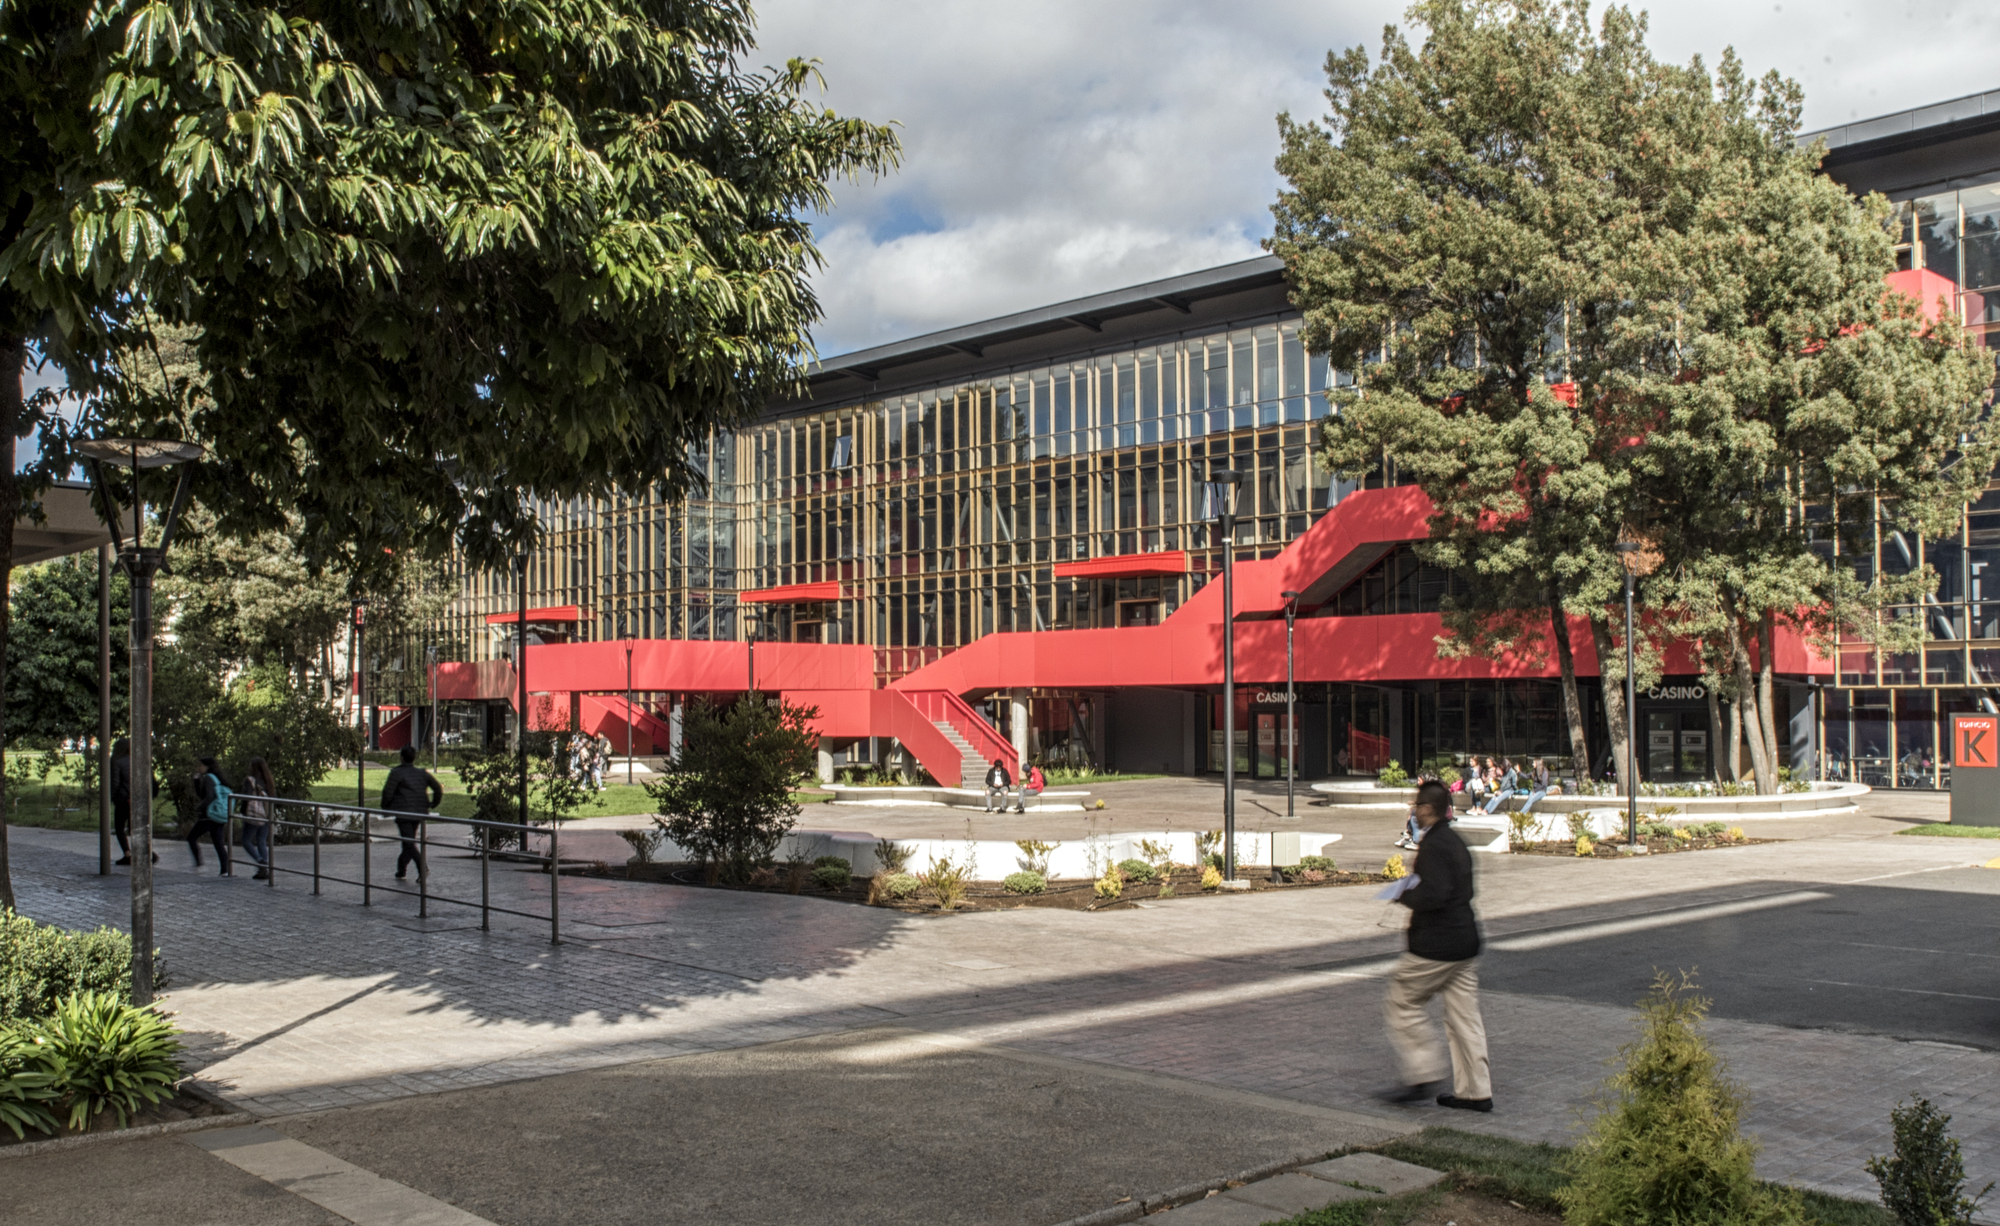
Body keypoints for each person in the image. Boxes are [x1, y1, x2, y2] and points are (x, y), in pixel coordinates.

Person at [1380, 779, 1491, 1112]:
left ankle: (1423, 1074)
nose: (1414, 812)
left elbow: (1434, 894)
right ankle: (1476, 1091)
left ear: (1427, 809)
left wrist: (1403, 893)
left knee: (1402, 1002)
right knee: (1464, 1018)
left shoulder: (1433, 846)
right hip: (1466, 944)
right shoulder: (1456, 842)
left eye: (1417, 806)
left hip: (1435, 947)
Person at [381, 745, 444, 881]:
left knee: (408, 843)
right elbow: (437, 788)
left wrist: (385, 808)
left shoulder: (396, 773)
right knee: (408, 842)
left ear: (401, 758)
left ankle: (423, 869)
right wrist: (433, 803)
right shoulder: (422, 773)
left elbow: (387, 792)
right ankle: (401, 869)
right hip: (419, 812)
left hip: (403, 812)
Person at [188, 758, 234, 875]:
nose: (199, 767)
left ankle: (199, 864)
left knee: (191, 837)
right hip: (219, 814)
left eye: (201, 765)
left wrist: (200, 807)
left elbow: (208, 797)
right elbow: (202, 794)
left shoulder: (209, 778)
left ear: (207, 766)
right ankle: (225, 870)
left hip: (209, 815)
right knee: (218, 843)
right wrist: (196, 780)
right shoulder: (217, 778)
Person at [238, 756, 276, 881]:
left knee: (246, 841)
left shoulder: (250, 780)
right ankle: (263, 869)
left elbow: (246, 798)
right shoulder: (268, 782)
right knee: (261, 841)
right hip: (265, 815)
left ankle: (261, 862)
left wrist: (242, 811)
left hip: (253, 815)